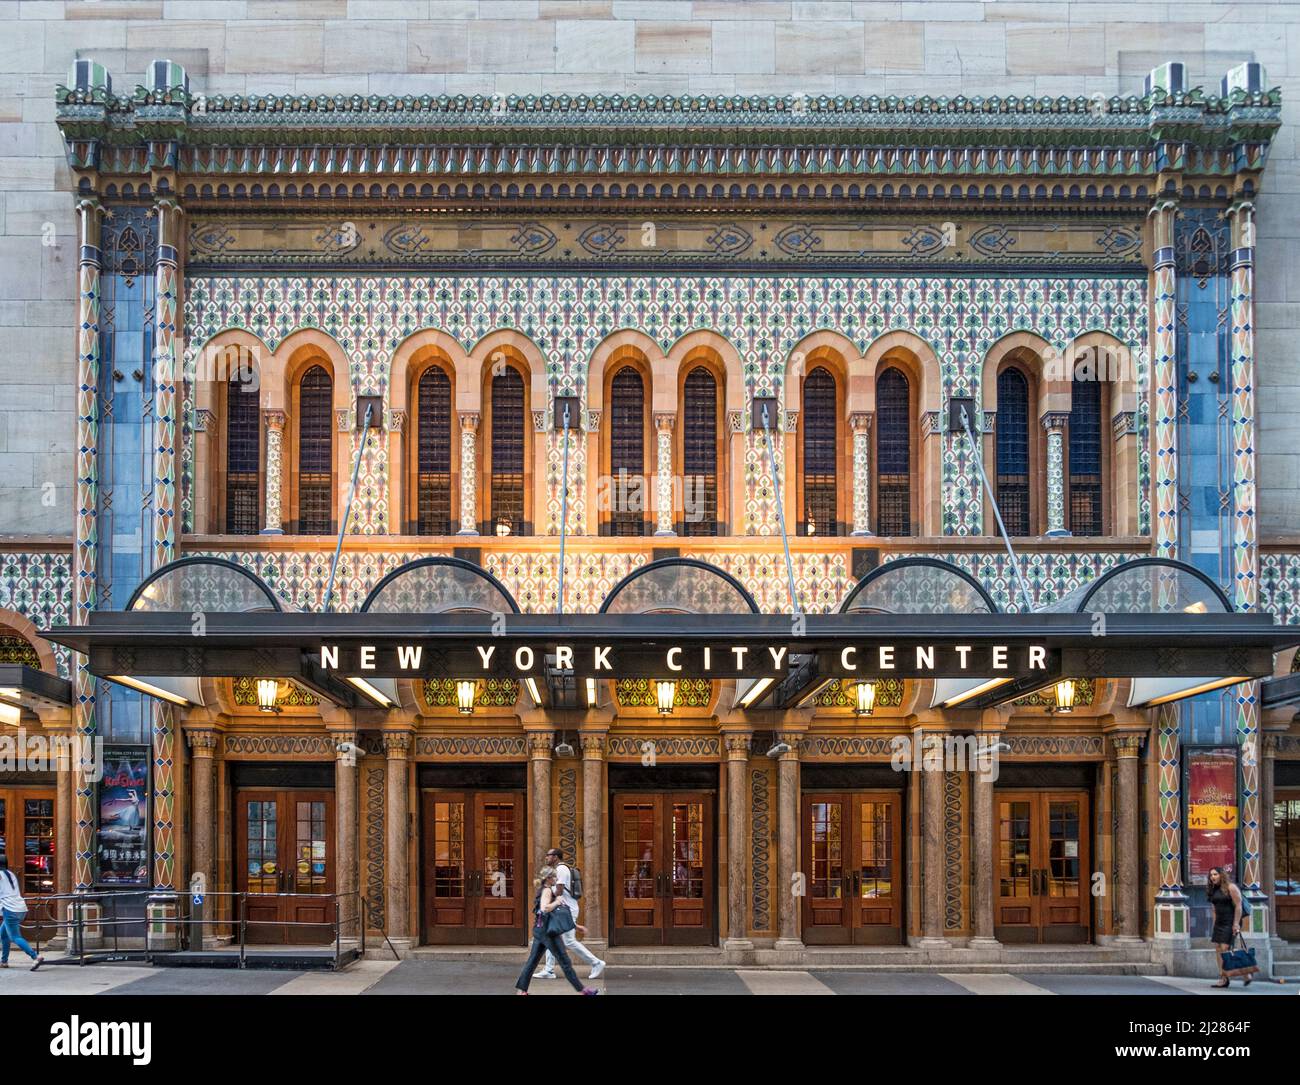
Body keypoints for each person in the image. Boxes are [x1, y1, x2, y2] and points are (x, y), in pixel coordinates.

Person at [515, 866, 598, 996]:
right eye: (554, 877)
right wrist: (557, 902)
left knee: (532, 962)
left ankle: (522, 991)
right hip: (549, 933)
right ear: (548, 879)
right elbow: (545, 908)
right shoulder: (547, 891)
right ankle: (583, 990)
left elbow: (555, 916)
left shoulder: (543, 889)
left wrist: (576, 926)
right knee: (565, 961)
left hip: (540, 930)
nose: (556, 879)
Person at [535, 846, 605, 981]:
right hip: (562, 909)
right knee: (551, 936)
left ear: (555, 857)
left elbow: (559, 891)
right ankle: (549, 970)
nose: (546, 857)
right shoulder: (557, 869)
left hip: (566, 909)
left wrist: (546, 893)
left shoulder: (561, 869)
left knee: (569, 941)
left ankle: (596, 963)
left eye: (548, 855)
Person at [1207, 866, 1249, 989]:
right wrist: (1215, 924)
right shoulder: (1213, 889)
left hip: (1231, 921)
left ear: (1221, 875)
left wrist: (1236, 924)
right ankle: (1223, 977)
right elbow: (1214, 908)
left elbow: (1238, 906)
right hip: (1219, 923)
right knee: (1218, 949)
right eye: (1211, 875)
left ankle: (1244, 972)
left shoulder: (1231, 887)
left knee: (1225, 948)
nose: (1212, 877)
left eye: (1215, 874)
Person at [0, 857, 44, 971]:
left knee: (14, 937)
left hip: (10, 909)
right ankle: (4, 961)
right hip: (20, 908)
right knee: (3, 934)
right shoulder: (10, 874)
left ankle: (35, 956)